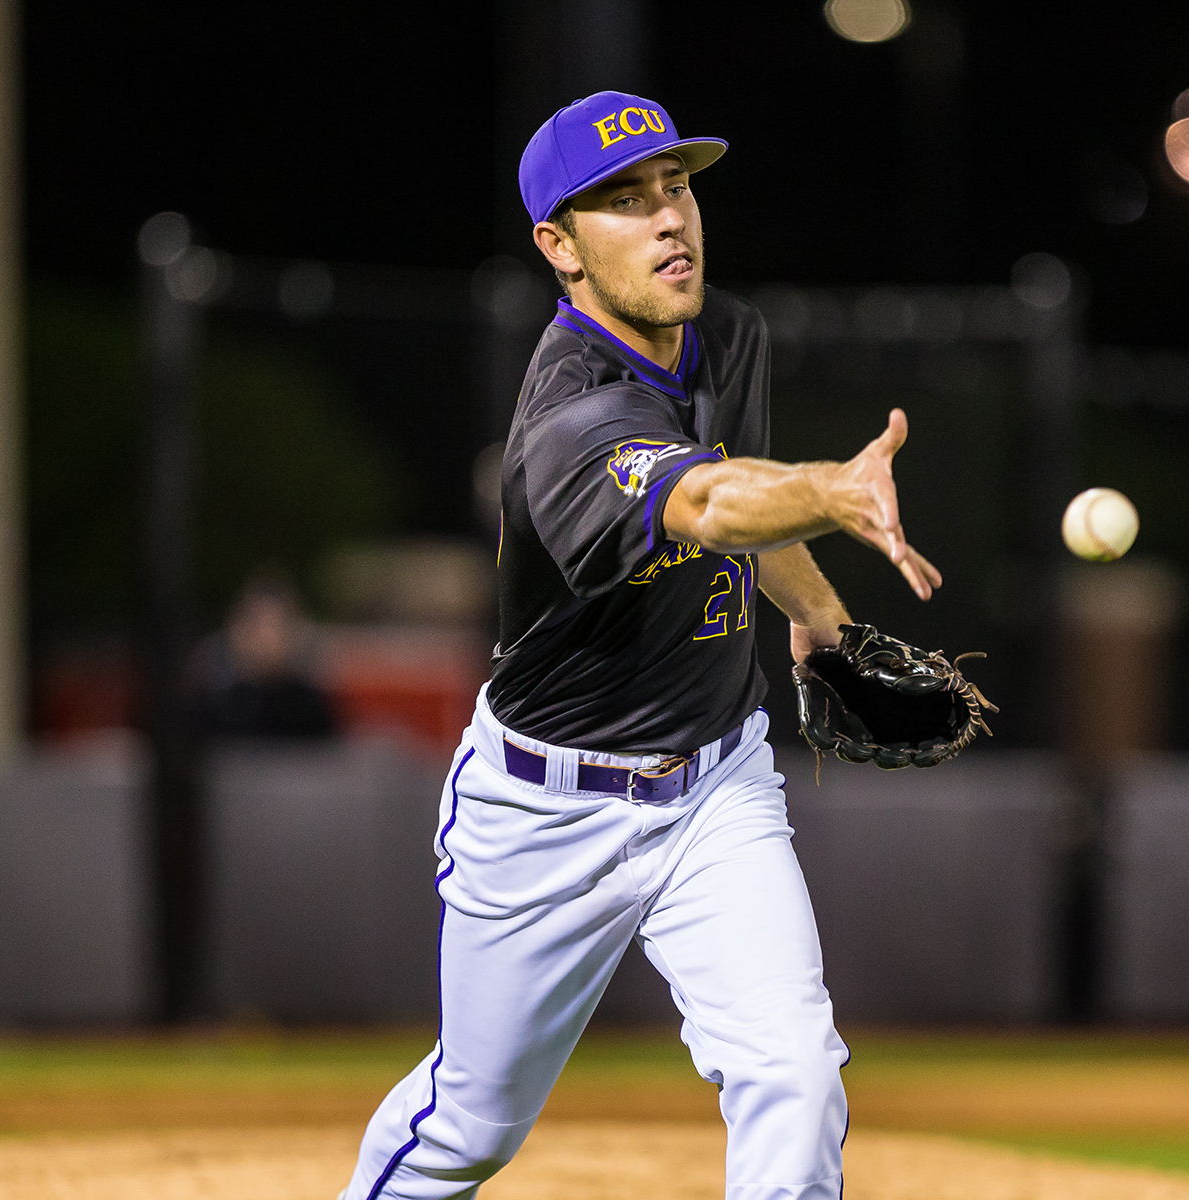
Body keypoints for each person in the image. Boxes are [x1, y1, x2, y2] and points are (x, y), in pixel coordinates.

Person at [342, 91, 940, 1200]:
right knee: (471, 1126)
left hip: (717, 784)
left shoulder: (733, 337)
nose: (669, 218)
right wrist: (833, 491)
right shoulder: (566, 420)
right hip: (544, 812)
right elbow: (708, 506)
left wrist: (824, 624)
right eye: (623, 200)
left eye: (676, 186)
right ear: (558, 247)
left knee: (794, 1072)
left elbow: (745, 512)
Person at [197, 569, 337, 739]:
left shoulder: (310, 706)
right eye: (260, 625)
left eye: (279, 626)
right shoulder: (218, 705)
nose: (268, 638)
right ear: (238, 628)